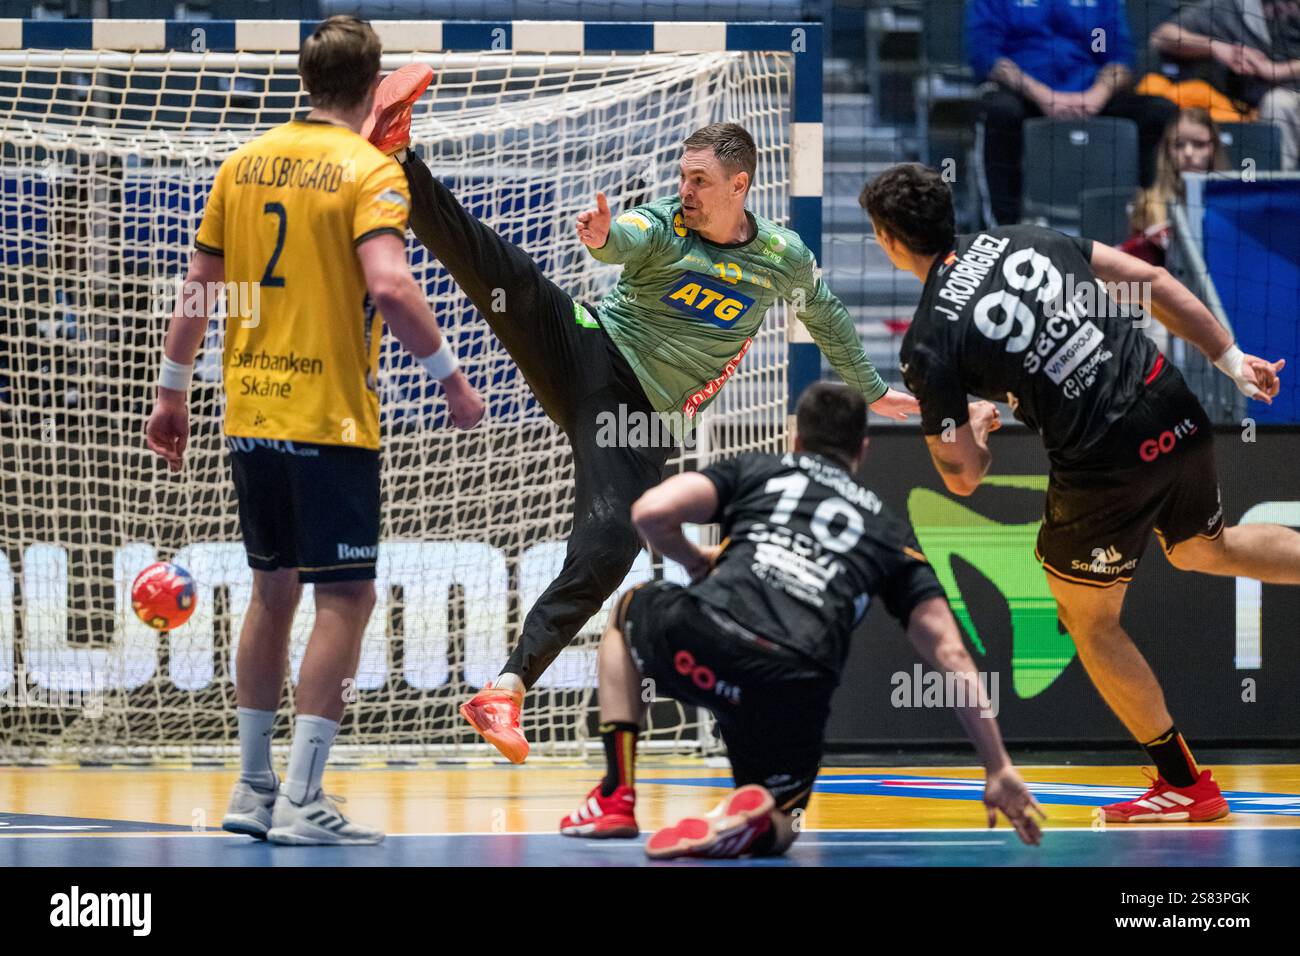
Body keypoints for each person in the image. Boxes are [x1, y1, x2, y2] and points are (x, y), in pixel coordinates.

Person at [360, 67, 919, 764]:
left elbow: (826, 313)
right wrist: (600, 238)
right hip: (591, 350)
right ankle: (397, 155)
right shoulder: (663, 224)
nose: (684, 191)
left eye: (699, 182)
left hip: (641, 418)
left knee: (609, 549)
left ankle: (503, 689)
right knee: (504, 272)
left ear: (740, 186)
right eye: (682, 177)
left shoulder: (781, 257)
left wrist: (869, 387)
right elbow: (623, 236)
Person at [861, 162, 1299, 822]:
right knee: (1206, 547)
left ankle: (1185, 784)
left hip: (1106, 457)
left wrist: (981, 421)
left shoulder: (929, 340)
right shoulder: (1021, 236)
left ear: (891, 241)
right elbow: (1151, 280)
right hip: (1170, 402)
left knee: (1088, 622)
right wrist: (1233, 362)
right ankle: (1182, 782)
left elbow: (962, 476)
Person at [144, 16, 484, 845]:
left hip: (249, 412)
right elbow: (393, 287)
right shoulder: (371, 171)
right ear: (374, 89)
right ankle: (303, 799)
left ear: (305, 79)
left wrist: (171, 393)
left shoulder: (241, 162)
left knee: (271, 592)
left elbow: (197, 291)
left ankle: (254, 790)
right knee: (347, 597)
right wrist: (455, 381)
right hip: (329, 420)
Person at [555, 381, 1043, 859]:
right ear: (863, 450)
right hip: (793, 682)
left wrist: (695, 562)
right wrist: (997, 767)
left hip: (705, 640)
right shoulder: (887, 533)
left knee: (626, 609)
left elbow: (650, 511)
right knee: (787, 824)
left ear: (796, 439)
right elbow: (948, 651)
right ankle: (760, 813)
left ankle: (616, 796)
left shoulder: (760, 471)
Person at [966, 0, 1179, 225]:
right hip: (1023, 96)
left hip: (1091, 95)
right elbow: (986, 56)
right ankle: (1003, 231)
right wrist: (1043, 95)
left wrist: (1097, 94)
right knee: (998, 112)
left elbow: (1120, 58)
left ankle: (1149, 226)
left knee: (1158, 111)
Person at [1152, 0, 1300, 170]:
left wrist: (1278, 70)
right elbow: (1162, 36)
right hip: (1246, 109)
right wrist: (1216, 47)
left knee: (1278, 104)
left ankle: (1280, 191)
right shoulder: (1232, 8)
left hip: (1289, 98)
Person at [1122, 107, 1231, 267]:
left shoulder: (1232, 204)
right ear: (1167, 151)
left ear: (1214, 148)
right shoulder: (1146, 204)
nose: (1188, 152)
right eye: (1179, 145)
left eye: (1199, 144)